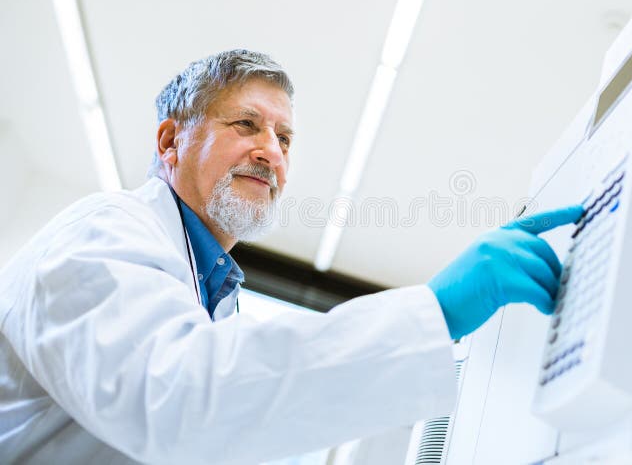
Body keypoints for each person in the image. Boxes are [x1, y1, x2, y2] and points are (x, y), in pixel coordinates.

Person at [0, 49, 582, 463]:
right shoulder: (106, 232)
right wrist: (433, 313)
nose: (271, 153)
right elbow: (176, 400)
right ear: (171, 141)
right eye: (246, 125)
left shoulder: (211, 298)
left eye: (284, 139)